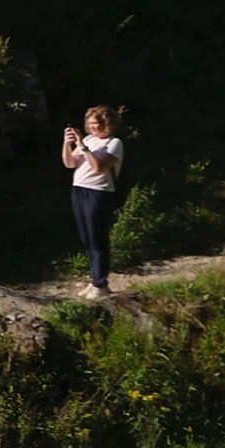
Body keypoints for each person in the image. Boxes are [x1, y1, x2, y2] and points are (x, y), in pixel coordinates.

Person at [63, 99, 131, 300]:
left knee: (98, 238)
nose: (93, 128)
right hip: (79, 190)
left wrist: (82, 145)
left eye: (97, 124)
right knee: (86, 238)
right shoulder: (90, 141)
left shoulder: (114, 143)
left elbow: (99, 167)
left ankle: (100, 283)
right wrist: (68, 144)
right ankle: (94, 280)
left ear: (108, 124)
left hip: (99, 192)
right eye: (90, 125)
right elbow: (69, 163)